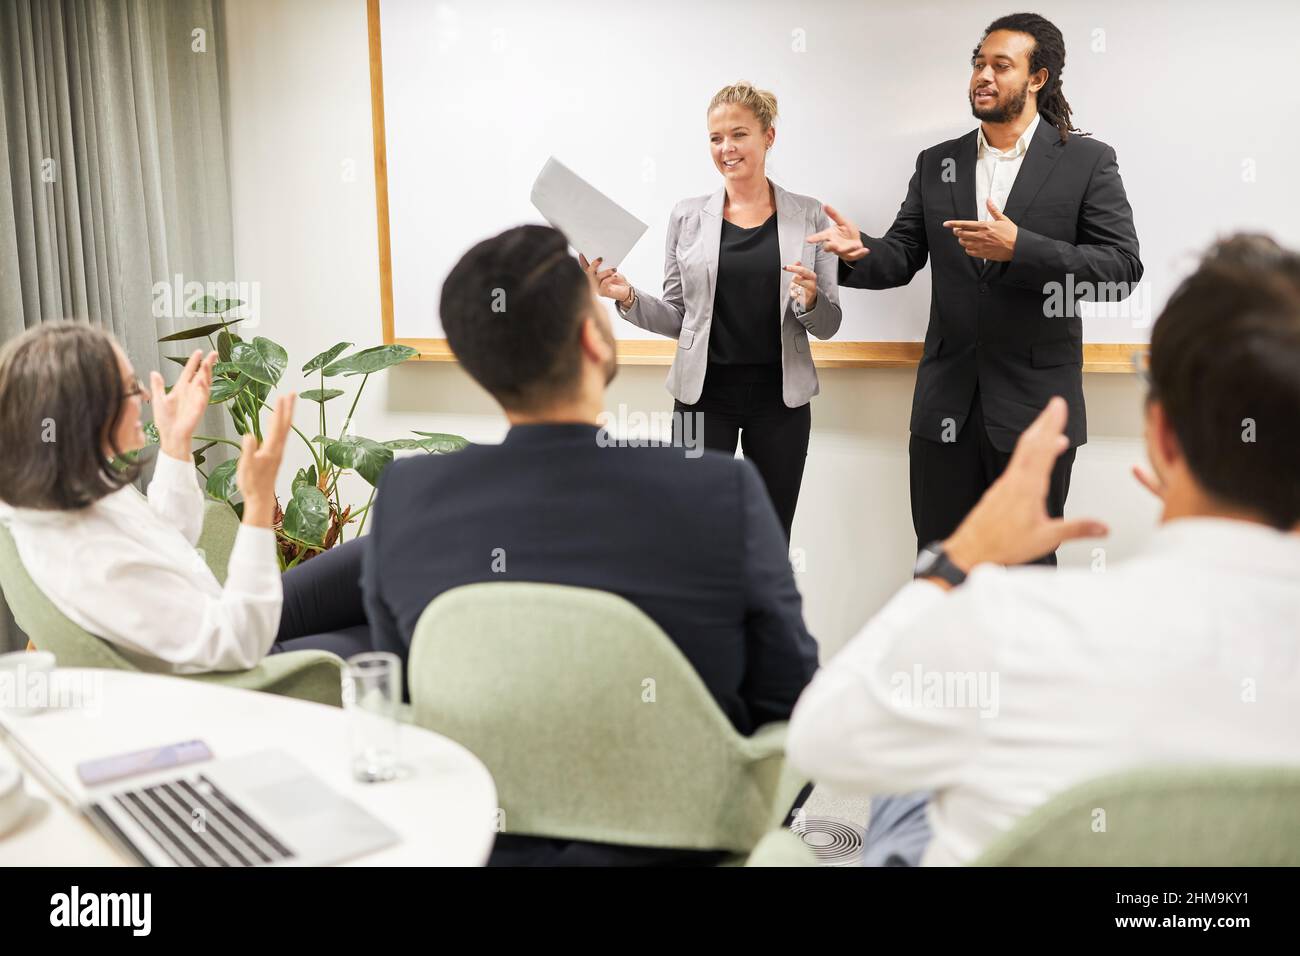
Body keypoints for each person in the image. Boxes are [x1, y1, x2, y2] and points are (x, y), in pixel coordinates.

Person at [786, 234, 1300, 866]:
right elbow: (902, 255)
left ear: (1161, 435)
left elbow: (819, 739)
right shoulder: (937, 167)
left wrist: (958, 559)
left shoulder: (1009, 623)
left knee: (918, 773)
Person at [362, 224, 819, 865]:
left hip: (483, 846)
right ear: (589, 338)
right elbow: (791, 705)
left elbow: (410, 696)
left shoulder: (407, 496)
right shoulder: (718, 491)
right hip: (683, 846)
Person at [810, 13, 1142, 564]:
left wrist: (1023, 249)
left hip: (1035, 414)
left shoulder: (1087, 161)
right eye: (978, 62)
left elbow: (1121, 269)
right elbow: (902, 256)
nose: (983, 75)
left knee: (1025, 575)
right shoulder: (939, 162)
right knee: (938, 566)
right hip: (945, 408)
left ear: (1038, 78)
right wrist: (858, 252)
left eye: (1000, 65)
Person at [0, 322, 368, 670]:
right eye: (131, 389)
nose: (146, 397)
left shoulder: (68, 489)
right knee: (387, 630)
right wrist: (256, 507)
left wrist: (176, 441)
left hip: (222, 615)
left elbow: (170, 541)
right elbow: (237, 642)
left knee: (376, 555)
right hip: (238, 658)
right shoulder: (86, 552)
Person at [584, 81, 843, 540]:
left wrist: (809, 301)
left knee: (770, 535)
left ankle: (762, 614)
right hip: (702, 398)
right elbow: (678, 317)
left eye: (739, 134)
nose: (726, 148)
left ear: (769, 137)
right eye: (715, 137)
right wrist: (627, 296)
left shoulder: (810, 216)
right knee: (695, 533)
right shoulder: (686, 216)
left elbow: (829, 324)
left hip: (779, 402)